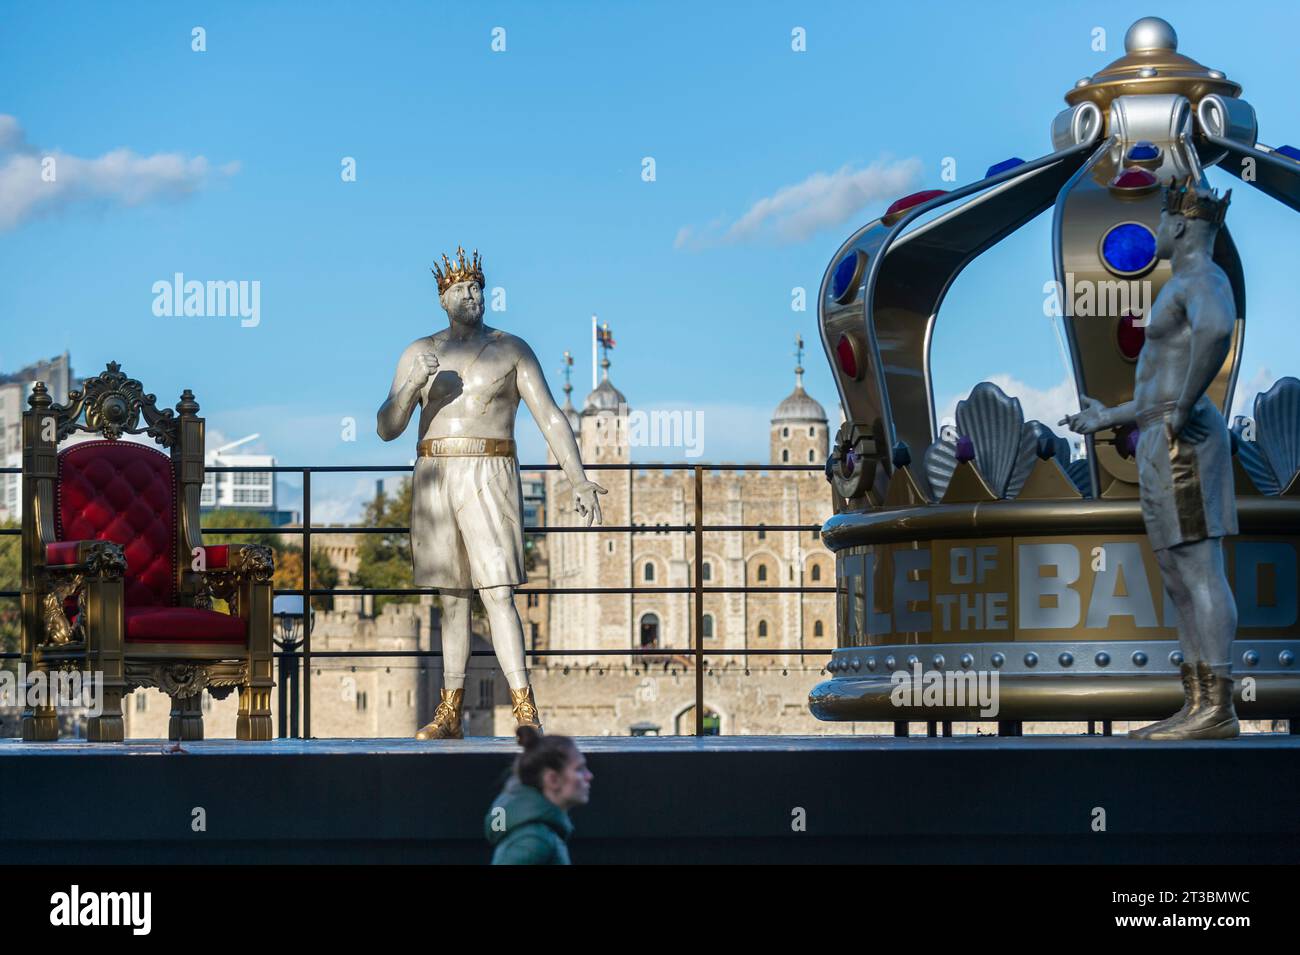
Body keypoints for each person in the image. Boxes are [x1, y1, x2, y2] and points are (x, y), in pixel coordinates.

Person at [376, 247, 607, 738]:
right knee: (452, 597)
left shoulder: (512, 349)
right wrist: (410, 386)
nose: (471, 295)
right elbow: (387, 427)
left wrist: (577, 477)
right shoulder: (419, 352)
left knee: (498, 592)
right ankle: (450, 712)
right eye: (461, 289)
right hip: (435, 471)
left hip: (491, 468)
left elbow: (549, 416)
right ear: (443, 298)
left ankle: (525, 710)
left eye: (477, 287)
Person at [1062, 176, 1239, 740]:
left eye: (1165, 219)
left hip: (1181, 437)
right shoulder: (1184, 282)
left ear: (1182, 224)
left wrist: (1186, 405)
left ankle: (1218, 708)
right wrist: (1107, 418)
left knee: (1197, 567)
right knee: (1176, 571)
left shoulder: (1204, 279)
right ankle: (1197, 704)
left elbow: (1216, 333)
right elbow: (1160, 385)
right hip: (1164, 433)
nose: (1158, 229)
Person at [485, 727, 592, 864]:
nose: (589, 776)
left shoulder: (539, 835)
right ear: (553, 779)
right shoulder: (534, 842)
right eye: (579, 769)